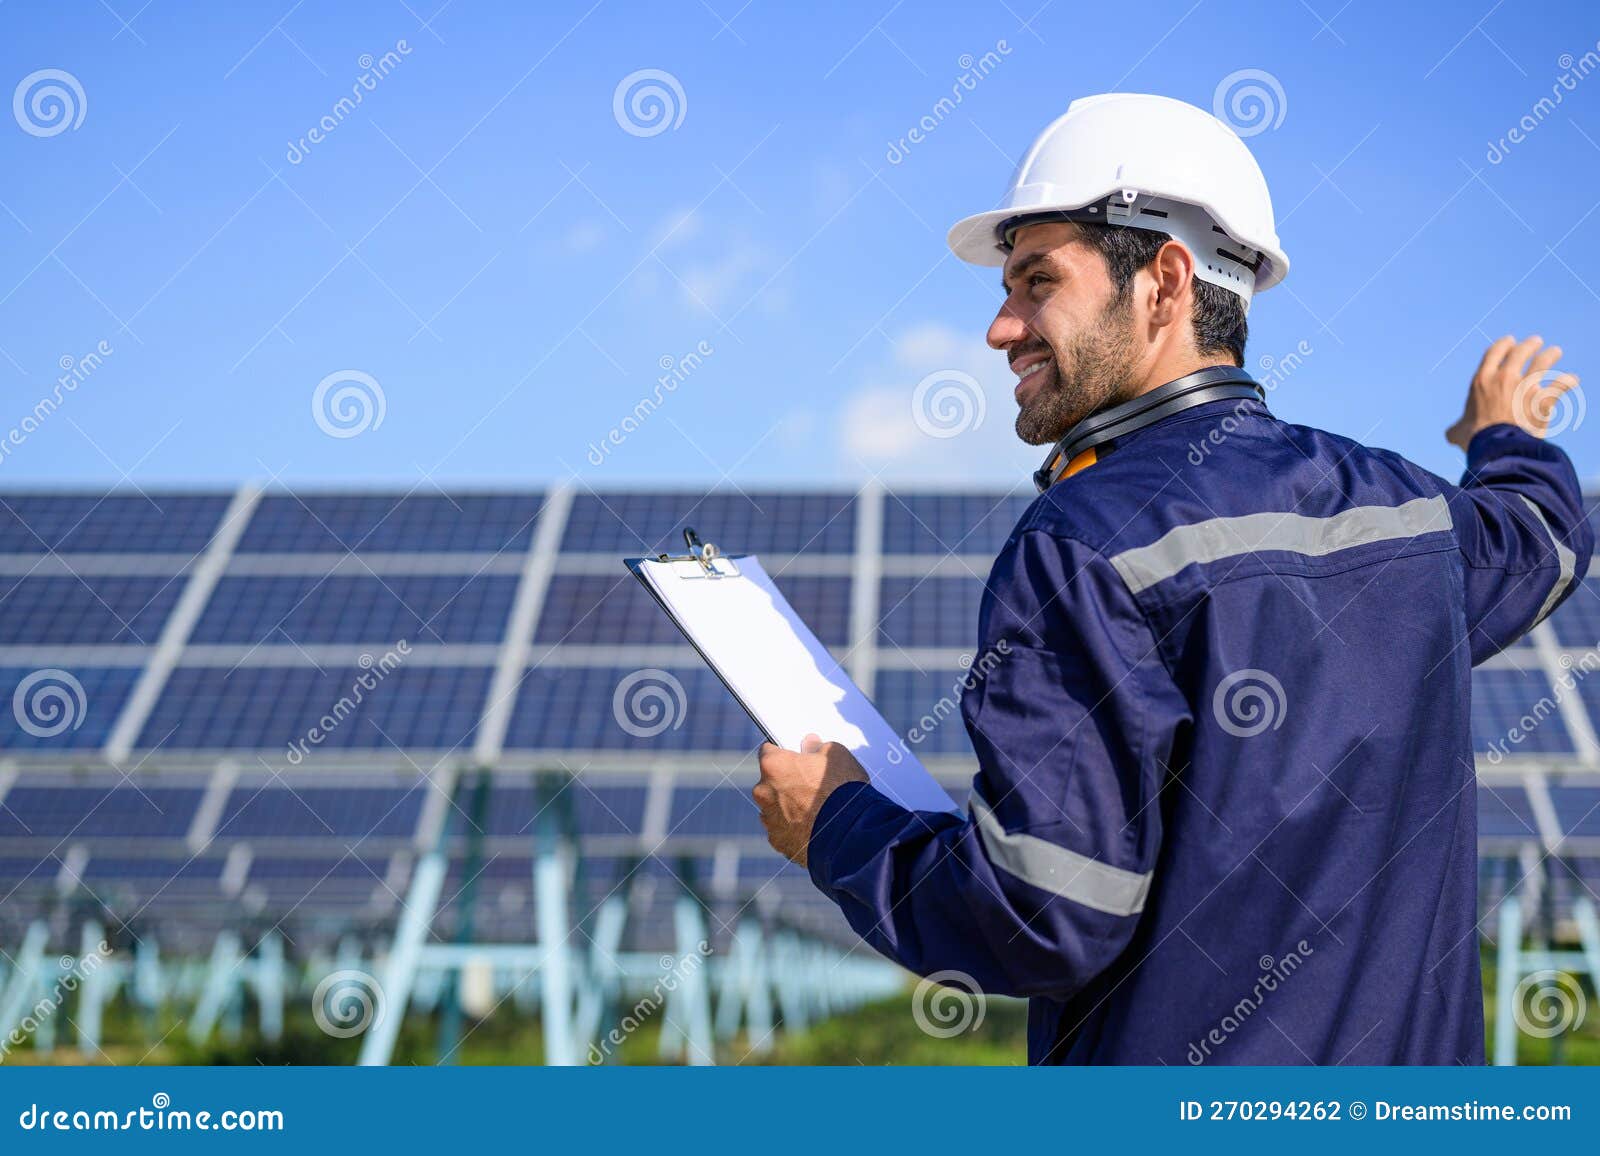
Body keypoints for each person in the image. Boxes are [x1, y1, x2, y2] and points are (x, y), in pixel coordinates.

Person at [752, 92, 1591, 1064]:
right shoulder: (1406, 515)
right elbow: (1539, 539)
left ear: (1163, 282)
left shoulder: (1082, 543)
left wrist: (839, 826)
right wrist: (1504, 434)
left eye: (1035, 282)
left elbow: (1042, 910)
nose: (999, 328)